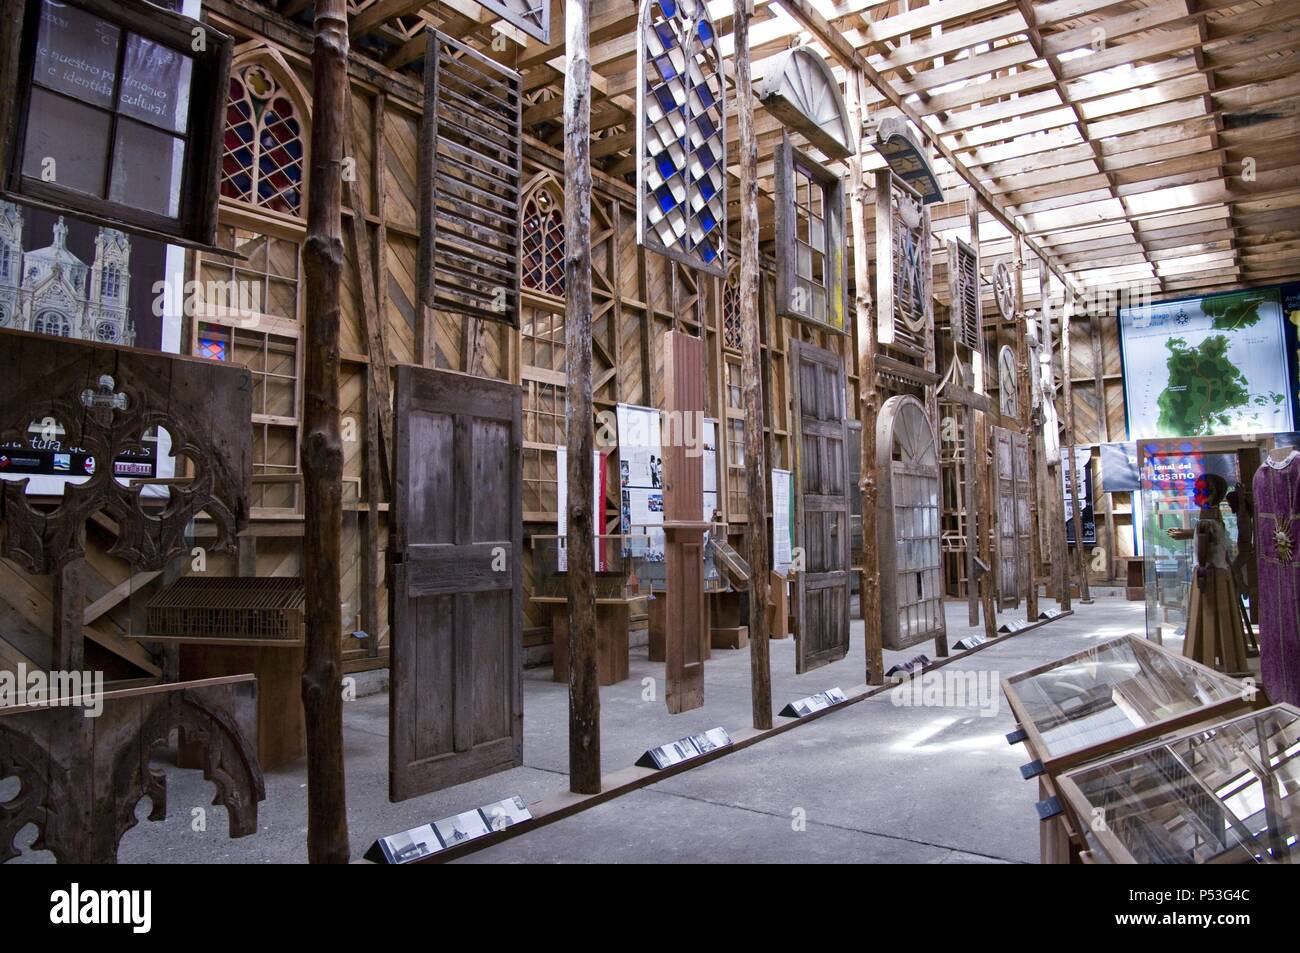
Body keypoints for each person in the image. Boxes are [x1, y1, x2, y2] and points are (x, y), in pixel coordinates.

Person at [1168, 473, 1249, 675]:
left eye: (1205, 490)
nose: (1199, 494)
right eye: (1197, 490)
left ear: (1215, 494)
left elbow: (1204, 548)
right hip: (1217, 573)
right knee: (1210, 619)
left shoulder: (1209, 521)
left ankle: (1215, 663)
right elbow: (1208, 536)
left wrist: (1202, 564)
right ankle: (1221, 661)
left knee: (1212, 619)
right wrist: (1190, 534)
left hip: (1210, 576)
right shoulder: (1212, 520)